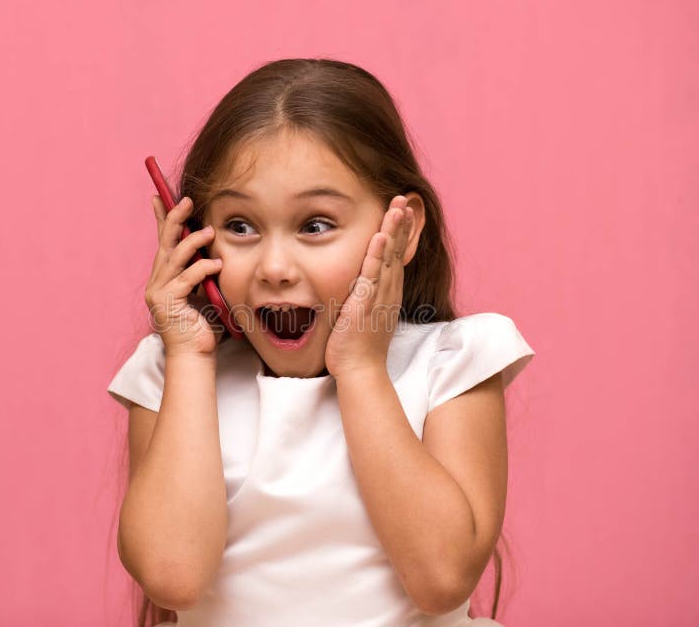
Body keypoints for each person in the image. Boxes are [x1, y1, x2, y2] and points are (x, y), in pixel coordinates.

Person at [107, 58, 536, 627]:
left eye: (315, 225)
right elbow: (173, 576)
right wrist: (185, 354)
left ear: (401, 231)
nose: (275, 267)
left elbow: (441, 578)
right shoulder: (172, 373)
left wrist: (360, 369)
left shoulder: (453, 363)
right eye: (240, 226)